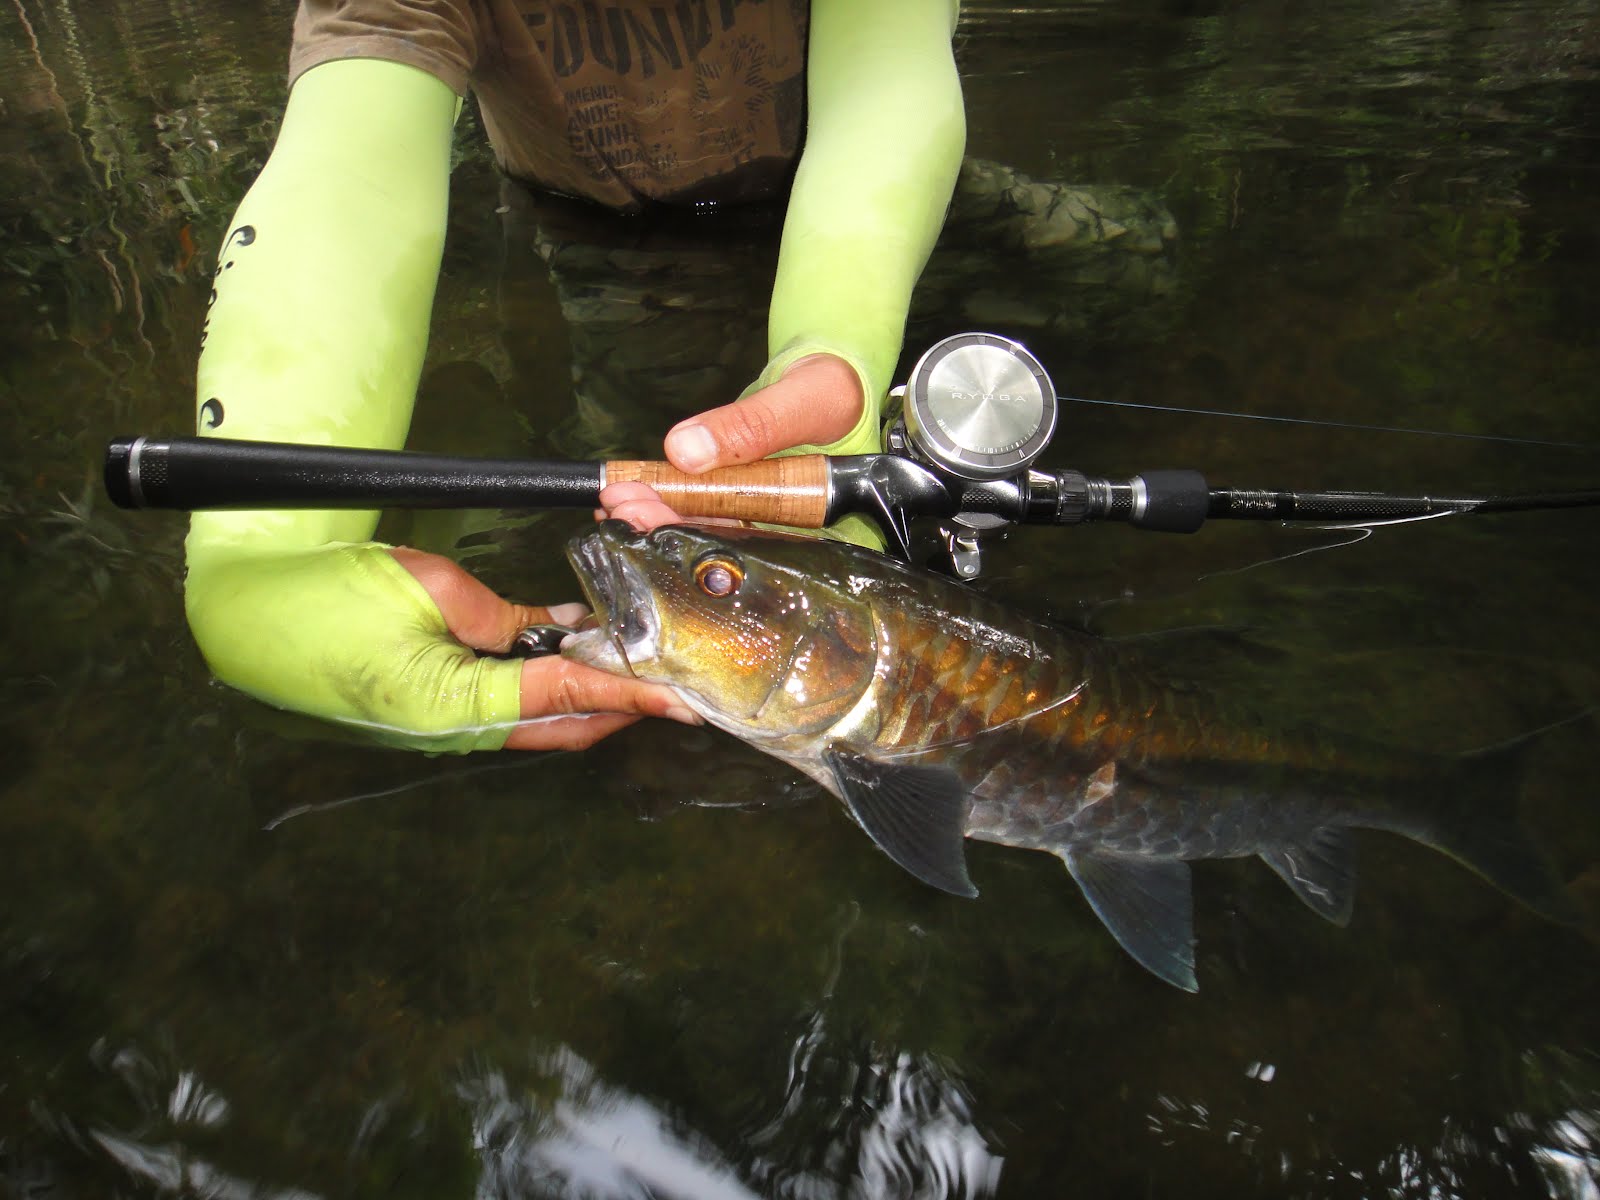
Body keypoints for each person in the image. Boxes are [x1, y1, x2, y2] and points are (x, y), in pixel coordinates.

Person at [184, 0, 967, 753]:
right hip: (601, 241)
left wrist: (838, 347)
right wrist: (259, 540)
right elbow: (342, 180)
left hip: (892, 192)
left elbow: (890, 71)